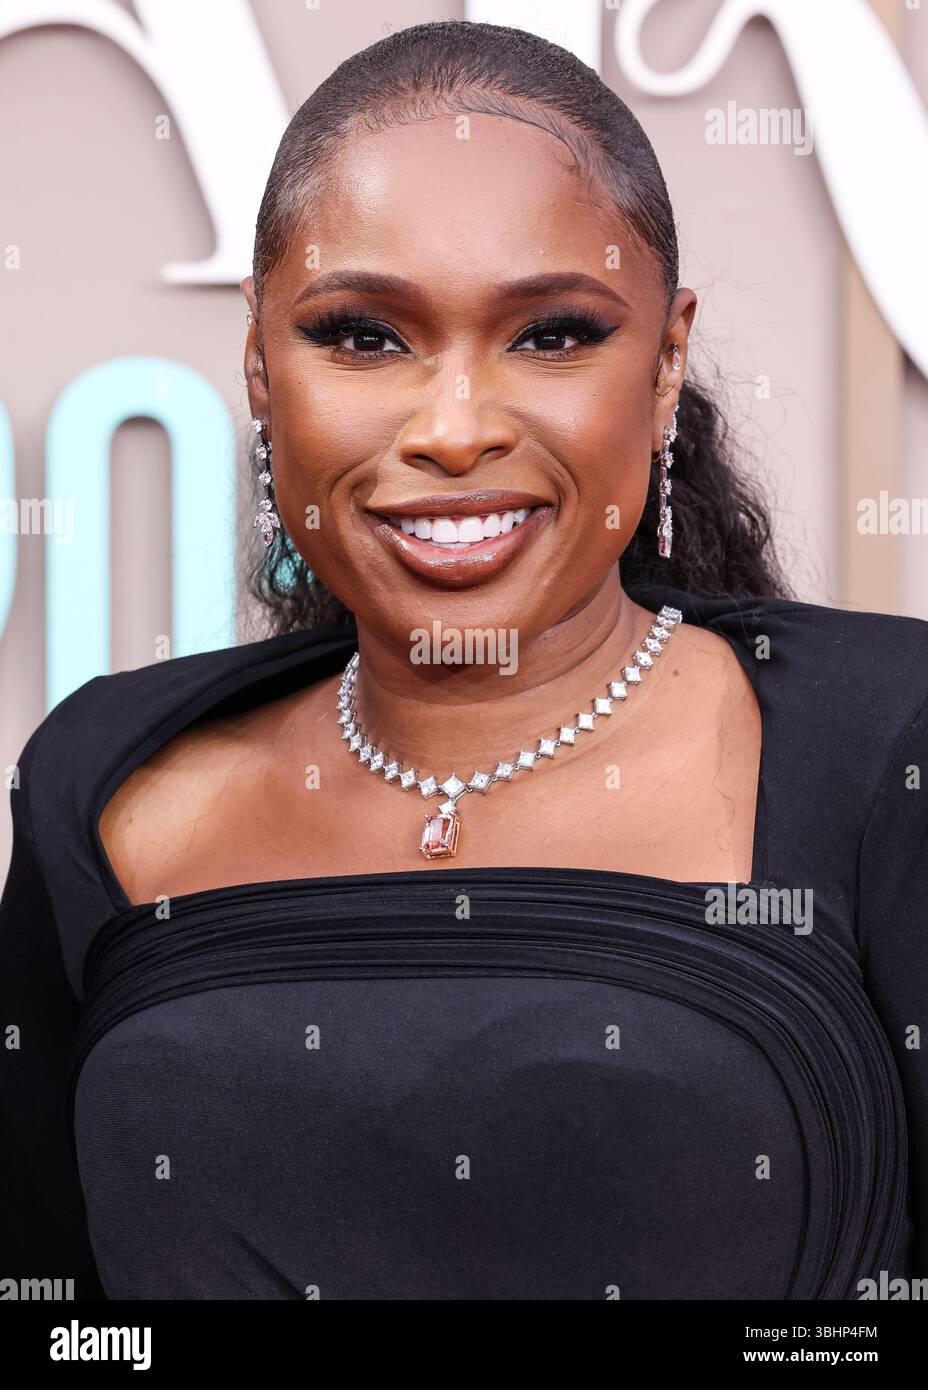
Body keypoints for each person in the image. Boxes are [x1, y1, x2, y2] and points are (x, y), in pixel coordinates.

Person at [2, 19, 926, 1301]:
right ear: (260, 367)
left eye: (551, 333)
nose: (450, 429)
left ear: (664, 368)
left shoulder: (889, 743)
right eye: (362, 335)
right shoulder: (102, 784)